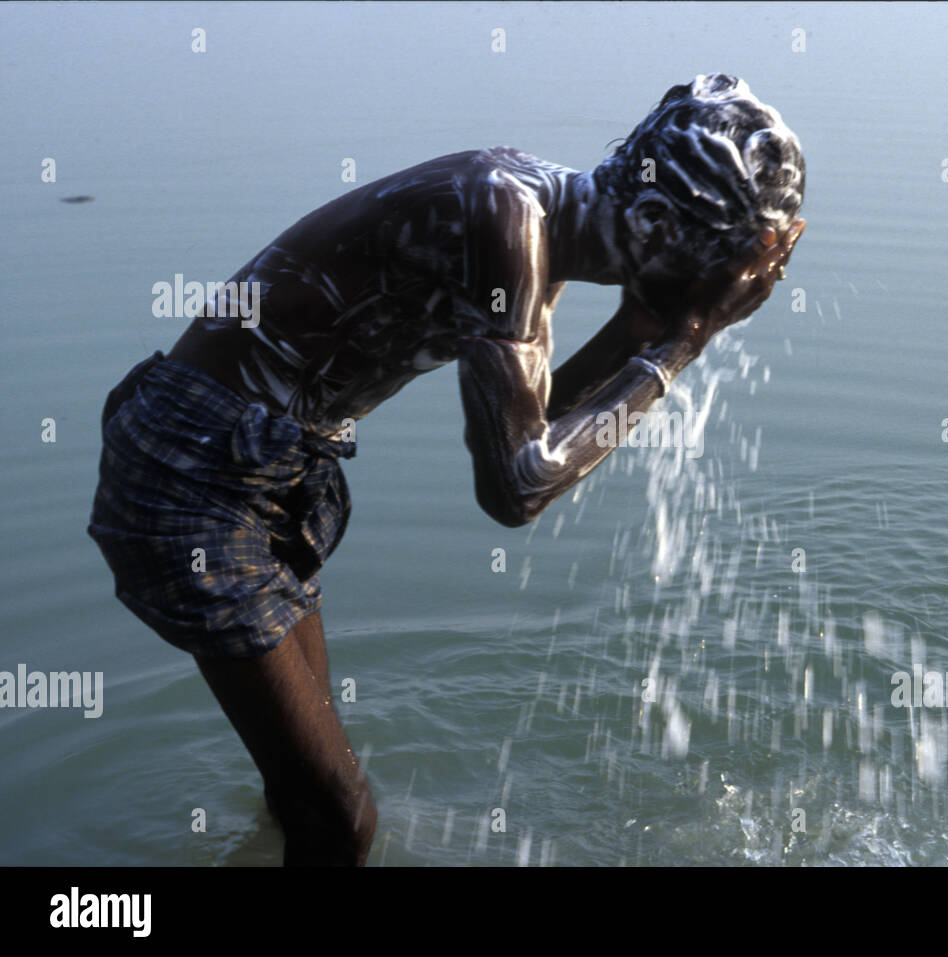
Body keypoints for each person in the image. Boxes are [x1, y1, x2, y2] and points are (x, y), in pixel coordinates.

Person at [87, 73, 806, 865]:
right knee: (340, 814)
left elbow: (525, 432)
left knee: (308, 798)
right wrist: (682, 341)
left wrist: (637, 331)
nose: (714, 294)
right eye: (717, 272)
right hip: (193, 474)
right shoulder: (503, 220)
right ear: (652, 219)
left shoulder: (534, 223)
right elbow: (517, 487)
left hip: (257, 469)